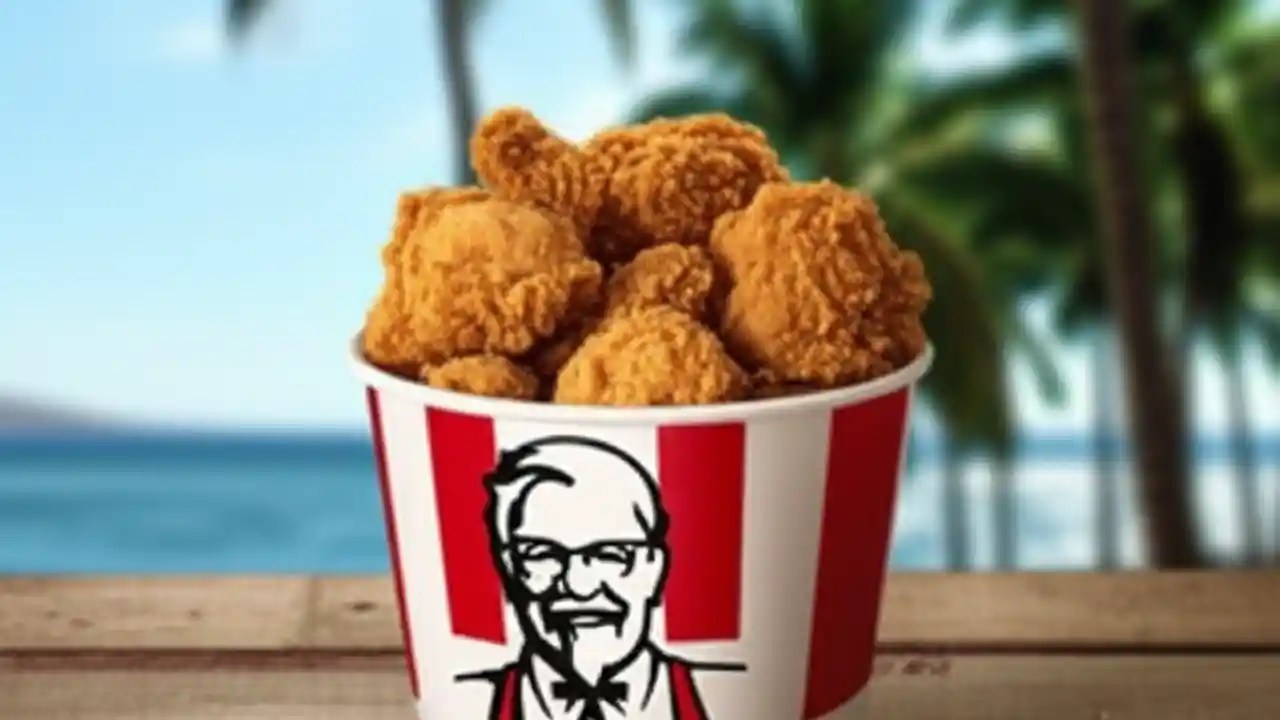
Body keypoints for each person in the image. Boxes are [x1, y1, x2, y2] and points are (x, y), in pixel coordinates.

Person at [458, 436, 735, 719]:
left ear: (654, 566)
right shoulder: (464, 699)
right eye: (543, 554)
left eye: (611, 555)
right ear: (508, 569)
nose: (580, 585)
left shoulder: (732, 692)